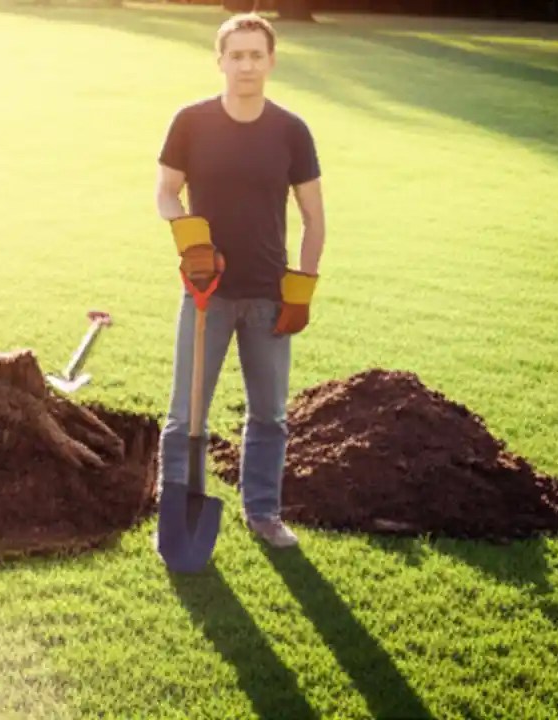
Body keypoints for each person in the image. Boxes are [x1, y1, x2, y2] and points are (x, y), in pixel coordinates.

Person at [155, 13, 325, 548]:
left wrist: (302, 289)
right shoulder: (191, 122)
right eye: (237, 55)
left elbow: (314, 218)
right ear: (220, 60)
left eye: (256, 55)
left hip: (269, 296)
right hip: (208, 297)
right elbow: (165, 192)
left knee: (270, 415)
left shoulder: (291, 131)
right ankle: (176, 513)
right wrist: (192, 239)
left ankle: (264, 514)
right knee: (185, 415)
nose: (246, 64)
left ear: (271, 61)